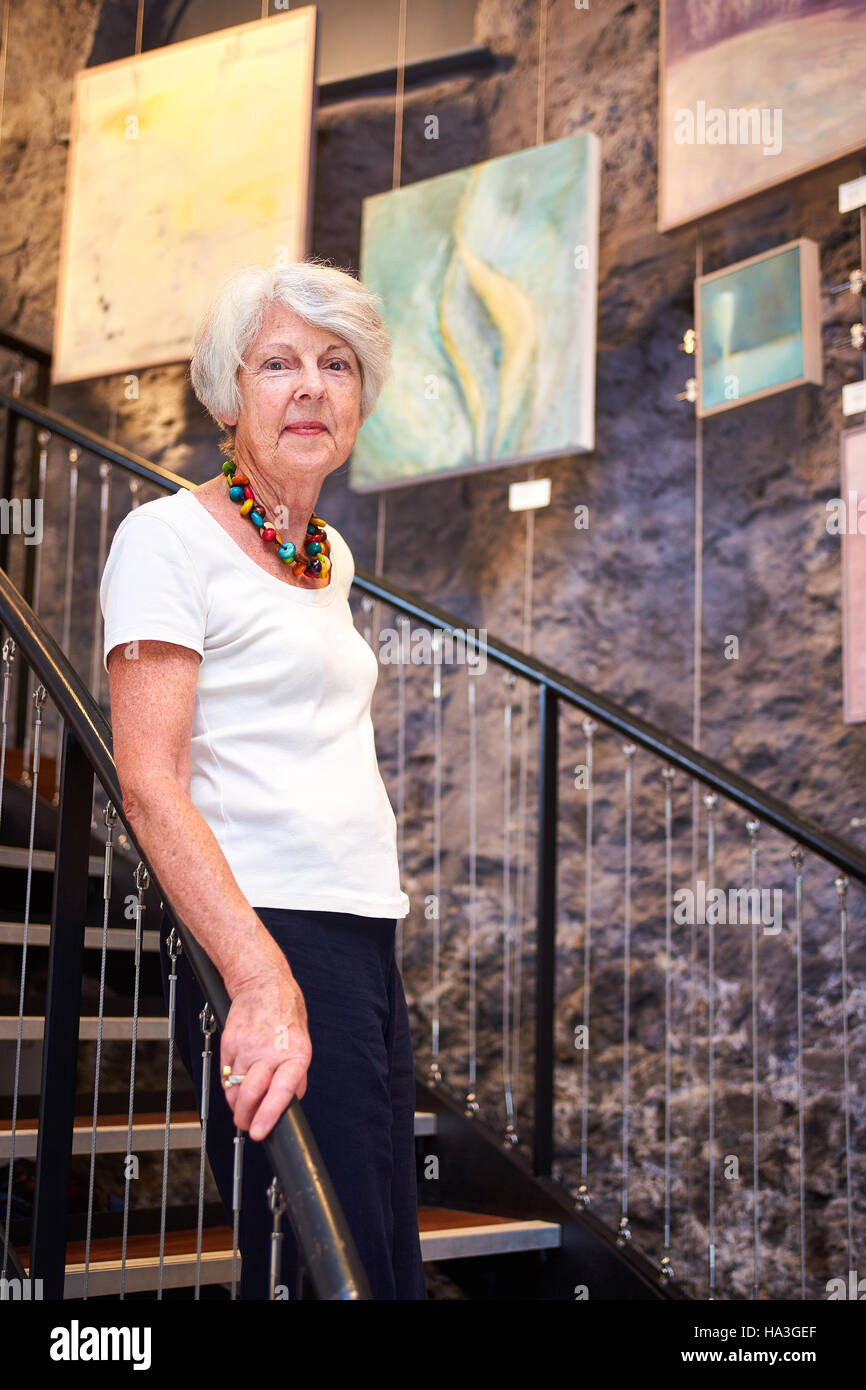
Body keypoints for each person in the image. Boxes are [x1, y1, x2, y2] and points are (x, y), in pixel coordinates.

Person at [100, 259, 426, 1300]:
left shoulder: (325, 554)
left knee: (375, 1253)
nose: (310, 387)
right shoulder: (166, 540)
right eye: (277, 363)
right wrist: (255, 971)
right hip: (261, 923)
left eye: (337, 364)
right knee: (316, 1262)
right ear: (229, 392)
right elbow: (150, 783)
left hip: (360, 929)